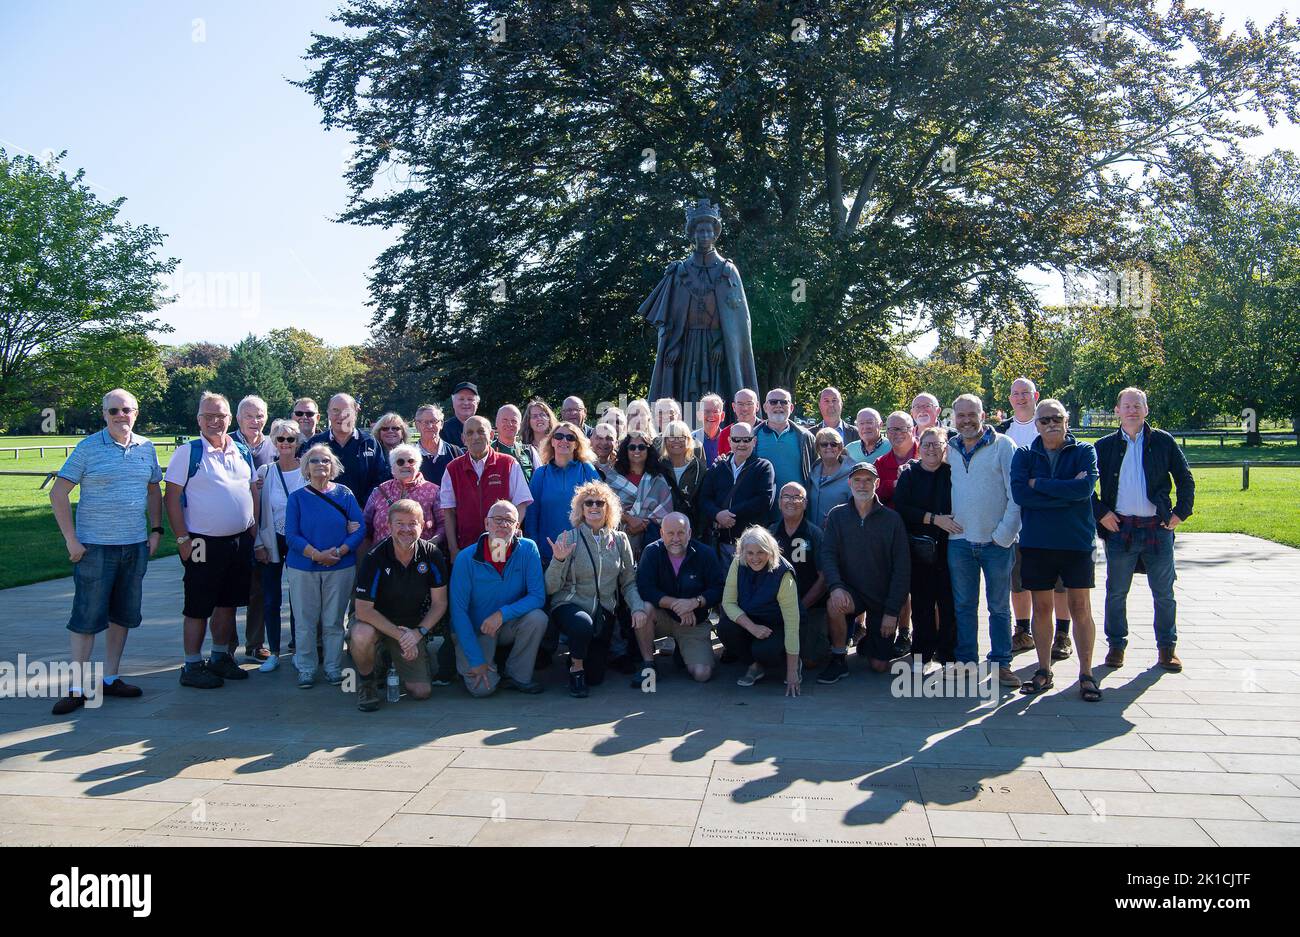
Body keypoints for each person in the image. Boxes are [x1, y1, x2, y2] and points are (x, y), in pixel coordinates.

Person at [48, 389, 162, 714]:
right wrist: (71, 539)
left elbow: (154, 489)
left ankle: (110, 678)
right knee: (85, 618)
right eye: (114, 411)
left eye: (126, 409)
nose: (120, 416)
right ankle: (76, 687)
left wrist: (156, 530)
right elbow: (58, 494)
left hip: (134, 545)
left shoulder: (147, 448)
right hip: (94, 548)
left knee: (122, 616)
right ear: (104, 414)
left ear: (136, 412)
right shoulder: (87, 449)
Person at [1094, 387, 1195, 672]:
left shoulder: (1163, 441)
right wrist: (1101, 513)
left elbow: (1185, 479)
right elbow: (1086, 487)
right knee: (1116, 592)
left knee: (1164, 592)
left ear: (1146, 410)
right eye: (1126, 406)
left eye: (1137, 405)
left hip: (1157, 528)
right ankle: (1116, 646)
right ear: (1117, 411)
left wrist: (1180, 513)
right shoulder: (1103, 447)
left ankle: (1167, 648)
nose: (1132, 410)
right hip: (1120, 529)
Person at [163, 392, 259, 689]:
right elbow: (172, 496)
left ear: (230, 419)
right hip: (202, 542)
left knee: (228, 602)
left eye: (221, 416)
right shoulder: (188, 453)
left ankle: (220, 657)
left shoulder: (241, 451)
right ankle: (192, 664)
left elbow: (252, 488)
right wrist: (182, 538)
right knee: (198, 605)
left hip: (238, 540)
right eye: (208, 416)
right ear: (199, 420)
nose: (215, 422)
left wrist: (253, 530)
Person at [1010, 399, 1102, 701]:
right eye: (1045, 419)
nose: (1051, 424)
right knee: (1042, 609)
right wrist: (1064, 490)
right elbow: (1022, 494)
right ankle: (1044, 670)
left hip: (1076, 542)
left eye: (1056, 418)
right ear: (1036, 424)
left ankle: (1086, 674)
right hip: (1037, 543)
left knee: (1080, 608)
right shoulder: (1024, 454)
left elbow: (1084, 490)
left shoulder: (1084, 451)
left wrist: (1042, 484)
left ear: (1066, 421)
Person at [544, 482, 647, 697]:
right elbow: (551, 587)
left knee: (596, 677)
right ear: (581, 509)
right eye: (588, 503)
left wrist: (637, 608)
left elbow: (628, 582)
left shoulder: (620, 540)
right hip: (570, 605)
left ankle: (580, 657)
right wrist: (558, 560)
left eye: (600, 503)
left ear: (608, 508)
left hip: (603, 612)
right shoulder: (568, 538)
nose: (594, 507)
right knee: (582, 625)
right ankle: (576, 668)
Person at [947, 395, 1023, 687]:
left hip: (996, 543)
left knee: (999, 606)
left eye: (971, 414)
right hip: (960, 541)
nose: (966, 420)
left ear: (983, 414)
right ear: (954, 417)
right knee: (964, 604)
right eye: (961, 415)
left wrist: (1005, 533)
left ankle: (1001, 662)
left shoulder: (1003, 446)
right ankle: (966, 662)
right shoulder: (949, 448)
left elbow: (1015, 493)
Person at [351, 499, 450, 711]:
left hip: (411, 626)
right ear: (388, 525)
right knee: (360, 635)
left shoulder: (432, 554)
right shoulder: (374, 556)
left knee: (421, 692)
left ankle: (388, 658)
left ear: (422, 526)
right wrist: (402, 637)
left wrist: (418, 633)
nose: (406, 529)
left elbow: (440, 603)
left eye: (412, 523)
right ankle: (366, 682)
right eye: (399, 523)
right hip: (375, 622)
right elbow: (363, 610)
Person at [817, 461, 910, 683]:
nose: (862, 485)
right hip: (851, 593)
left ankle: (869, 641)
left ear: (876, 483)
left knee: (880, 666)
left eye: (868, 480)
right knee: (834, 604)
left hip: (881, 597)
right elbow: (828, 556)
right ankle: (839, 659)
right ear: (849, 483)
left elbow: (902, 568)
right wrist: (836, 587)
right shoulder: (837, 516)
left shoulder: (892, 520)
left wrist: (892, 611)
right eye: (857, 480)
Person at [999, 378, 1072, 657]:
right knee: (1017, 580)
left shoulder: (1053, 425)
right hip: (1014, 517)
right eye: (1015, 394)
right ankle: (1022, 631)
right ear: (1010, 399)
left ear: (1035, 396)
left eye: (1025, 393)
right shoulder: (1001, 431)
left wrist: (1039, 487)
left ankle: (1062, 634)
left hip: (1053, 519)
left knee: (1059, 583)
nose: (1020, 398)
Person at [285, 443, 366, 688]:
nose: (320, 465)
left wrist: (340, 551)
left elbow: (359, 528)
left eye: (325, 461)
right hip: (304, 567)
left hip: (340, 566)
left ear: (333, 466)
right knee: (305, 622)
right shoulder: (297, 498)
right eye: (314, 461)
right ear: (306, 467)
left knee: (333, 621)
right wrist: (317, 555)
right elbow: (291, 535)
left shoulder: (345, 494)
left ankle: (333, 667)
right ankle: (307, 668)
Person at [449, 500, 549, 696]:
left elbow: (537, 597)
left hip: (506, 625)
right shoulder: (465, 558)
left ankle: (517, 676)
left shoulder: (528, 550)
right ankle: (472, 662)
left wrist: (502, 614)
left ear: (517, 526)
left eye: (509, 521)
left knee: (538, 618)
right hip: (475, 630)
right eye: (497, 520)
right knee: (482, 690)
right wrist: (476, 660)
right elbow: (458, 613)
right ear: (486, 524)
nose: (503, 525)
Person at [633, 513, 725, 685]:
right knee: (644, 608)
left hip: (693, 620)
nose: (676, 538)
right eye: (670, 533)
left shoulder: (706, 554)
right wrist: (676, 605)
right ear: (661, 534)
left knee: (702, 674)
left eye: (681, 533)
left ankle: (682, 650)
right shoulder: (651, 551)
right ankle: (648, 664)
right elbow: (644, 589)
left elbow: (718, 589)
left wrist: (695, 602)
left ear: (689, 533)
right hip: (661, 616)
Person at [893, 427, 957, 669]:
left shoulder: (952, 473)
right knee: (922, 605)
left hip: (950, 546)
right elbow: (902, 507)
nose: (931, 449)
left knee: (948, 604)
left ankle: (948, 654)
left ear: (945, 447)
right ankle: (921, 654)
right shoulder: (910, 473)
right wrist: (933, 518)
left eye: (937, 444)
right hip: (920, 549)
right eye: (927, 444)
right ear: (920, 446)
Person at [717, 526, 802, 695]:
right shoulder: (737, 562)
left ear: (770, 551)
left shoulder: (784, 574)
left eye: (761, 552)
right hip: (751, 621)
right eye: (749, 553)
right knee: (725, 628)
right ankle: (754, 666)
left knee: (765, 651)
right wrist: (752, 627)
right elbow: (728, 603)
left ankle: (793, 663)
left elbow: (792, 625)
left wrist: (792, 674)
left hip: (777, 624)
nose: (755, 558)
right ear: (742, 552)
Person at [253, 419, 307, 673]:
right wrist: (257, 544)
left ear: (298, 443)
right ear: (273, 442)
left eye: (291, 439)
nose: (285, 444)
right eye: (280, 439)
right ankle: (273, 651)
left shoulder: (307, 470)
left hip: (299, 541)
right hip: (272, 540)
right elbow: (257, 512)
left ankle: (298, 648)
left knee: (298, 597)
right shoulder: (265, 472)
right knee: (271, 598)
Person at [442, 415, 533, 563]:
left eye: (481, 431)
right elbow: (448, 511)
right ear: (463, 438)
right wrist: (453, 549)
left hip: (501, 544)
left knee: (498, 582)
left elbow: (521, 503)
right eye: (470, 433)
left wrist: (510, 530)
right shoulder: (453, 468)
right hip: (466, 545)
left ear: (491, 435)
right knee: (470, 585)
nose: (475, 437)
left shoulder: (509, 464)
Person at [231, 395, 276, 662]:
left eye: (259, 415)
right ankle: (225, 643)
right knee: (227, 589)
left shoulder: (274, 444)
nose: (255, 421)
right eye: (249, 416)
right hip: (232, 526)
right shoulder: (227, 444)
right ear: (238, 419)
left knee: (260, 588)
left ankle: (255, 642)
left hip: (265, 526)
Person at [698, 422, 775, 565]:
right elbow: (704, 499)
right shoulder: (718, 467)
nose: (741, 444)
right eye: (736, 439)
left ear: (754, 441)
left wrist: (730, 514)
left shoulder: (763, 467)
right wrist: (717, 515)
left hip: (751, 546)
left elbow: (764, 500)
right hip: (721, 543)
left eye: (746, 439)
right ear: (729, 441)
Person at [770, 482, 829, 668]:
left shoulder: (816, 534)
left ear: (805, 504)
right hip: (776, 606)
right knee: (769, 652)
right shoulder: (770, 533)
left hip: (808, 606)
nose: (791, 501)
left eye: (797, 497)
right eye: (786, 496)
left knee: (811, 660)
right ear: (779, 502)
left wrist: (800, 607)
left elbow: (824, 578)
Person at [525, 421, 601, 564]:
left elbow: (602, 508)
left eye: (570, 438)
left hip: (583, 553)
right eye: (559, 436)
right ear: (552, 442)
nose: (564, 440)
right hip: (548, 553)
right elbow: (532, 515)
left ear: (577, 444)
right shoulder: (541, 474)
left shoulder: (587, 470)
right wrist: (534, 550)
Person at [301, 393, 384, 510]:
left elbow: (379, 480)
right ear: (328, 413)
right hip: (323, 513)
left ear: (355, 413)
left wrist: (362, 507)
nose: (341, 416)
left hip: (363, 514)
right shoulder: (315, 444)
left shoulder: (369, 443)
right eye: (335, 410)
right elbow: (305, 478)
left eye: (346, 411)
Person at [602, 428, 674, 556]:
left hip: (651, 541)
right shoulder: (612, 477)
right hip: (616, 541)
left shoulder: (658, 478)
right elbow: (605, 506)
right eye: (632, 447)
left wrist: (642, 524)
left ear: (648, 450)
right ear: (626, 450)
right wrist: (629, 519)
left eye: (641, 447)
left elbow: (666, 509)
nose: (636, 451)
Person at [363, 443, 444, 548]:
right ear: (392, 468)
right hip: (382, 558)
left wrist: (432, 544)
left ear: (418, 466)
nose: (406, 465)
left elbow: (444, 524)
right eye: (400, 462)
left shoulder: (434, 491)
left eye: (411, 461)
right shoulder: (379, 491)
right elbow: (365, 525)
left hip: (420, 556)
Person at [755, 387, 815, 498]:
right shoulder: (752, 437)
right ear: (765, 407)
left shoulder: (805, 437)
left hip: (796, 508)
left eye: (784, 402)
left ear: (791, 407)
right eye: (773, 402)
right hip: (761, 507)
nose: (778, 405)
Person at [661, 420, 706, 532]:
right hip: (663, 529)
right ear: (665, 441)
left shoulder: (699, 469)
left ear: (689, 440)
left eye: (681, 437)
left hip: (691, 530)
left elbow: (703, 503)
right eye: (671, 437)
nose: (676, 441)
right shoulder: (657, 468)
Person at [806, 427, 854, 527]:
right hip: (812, 534)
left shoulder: (852, 474)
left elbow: (857, 508)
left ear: (840, 447)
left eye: (833, 444)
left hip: (838, 534)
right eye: (824, 444)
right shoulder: (812, 472)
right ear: (818, 448)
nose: (829, 447)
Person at [874, 411, 919, 509]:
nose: (898, 433)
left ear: (913, 430)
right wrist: (895, 484)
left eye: (903, 429)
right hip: (894, 521)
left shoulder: (928, 455)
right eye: (893, 429)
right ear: (887, 432)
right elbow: (874, 496)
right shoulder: (880, 463)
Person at [413, 403, 463, 486]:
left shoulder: (455, 453)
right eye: (425, 422)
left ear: (442, 424)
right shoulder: (408, 455)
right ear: (417, 425)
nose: (429, 426)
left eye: (433, 421)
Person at [493, 404, 539, 481]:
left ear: (520, 425)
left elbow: (539, 481)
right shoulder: (487, 451)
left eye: (514, 421)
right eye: (504, 420)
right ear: (496, 423)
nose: (509, 424)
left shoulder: (529, 451)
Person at [371, 411, 410, 483]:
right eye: (385, 428)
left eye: (395, 428)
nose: (390, 431)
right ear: (379, 433)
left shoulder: (413, 454)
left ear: (403, 433)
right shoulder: (372, 456)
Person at [717, 388, 758, 456]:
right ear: (734, 407)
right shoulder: (725, 434)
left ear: (757, 406)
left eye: (749, 404)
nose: (745, 408)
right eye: (740, 404)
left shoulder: (767, 429)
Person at [441, 381, 480, 449]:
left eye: (470, 399)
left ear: (477, 403)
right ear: (453, 402)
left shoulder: (484, 428)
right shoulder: (443, 430)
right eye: (461, 399)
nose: (466, 403)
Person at [692, 392, 726, 466]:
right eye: (706, 411)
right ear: (699, 415)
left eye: (715, 411)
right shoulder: (690, 439)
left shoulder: (731, 439)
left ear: (722, 416)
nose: (711, 415)